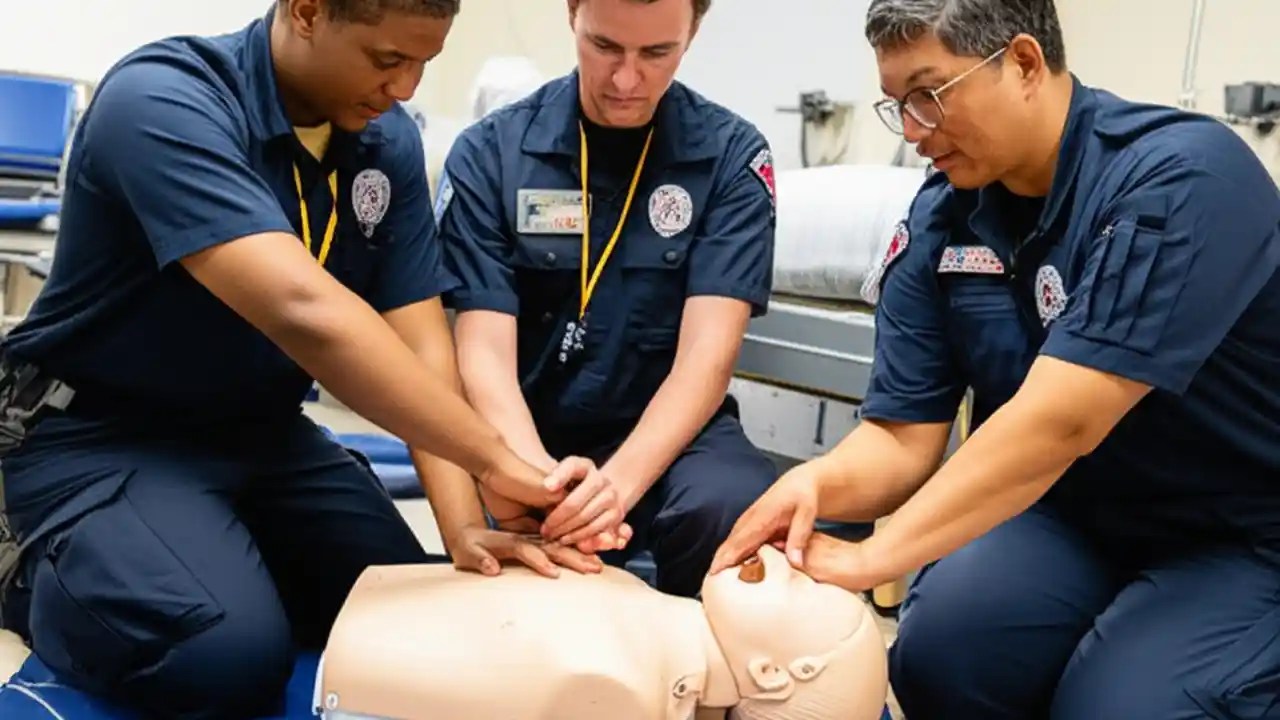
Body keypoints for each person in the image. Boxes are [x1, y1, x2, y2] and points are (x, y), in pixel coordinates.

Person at [0, 1, 622, 717]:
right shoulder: (164, 99)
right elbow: (306, 313)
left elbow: (422, 341)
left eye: (425, 63)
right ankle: (26, 566)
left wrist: (462, 532)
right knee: (221, 658)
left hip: (261, 434)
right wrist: (496, 461)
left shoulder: (382, 145)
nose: (408, 88)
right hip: (105, 437)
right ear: (307, 11)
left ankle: (189, 553)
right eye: (388, 60)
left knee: (408, 612)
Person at [712, 0, 1280, 718]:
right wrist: (815, 489)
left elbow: (1060, 424)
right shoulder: (943, 217)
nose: (914, 132)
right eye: (896, 106)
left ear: (1022, 63)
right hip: (1073, 512)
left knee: (1117, 707)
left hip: (1242, 534)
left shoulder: (1180, 183)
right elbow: (901, 436)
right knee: (940, 658)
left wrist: (870, 558)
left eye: (930, 95)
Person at [435, 0, 780, 598]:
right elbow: (484, 358)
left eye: (656, 53)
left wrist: (613, 489)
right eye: (604, 47)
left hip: (670, 432)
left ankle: (686, 671)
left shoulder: (731, 158)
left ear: (693, 31)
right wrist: (538, 481)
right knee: (503, 531)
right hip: (526, 429)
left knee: (731, 507)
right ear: (572, 13)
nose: (625, 79)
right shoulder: (491, 154)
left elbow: (707, 361)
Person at [317, 546, 888, 720]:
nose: (779, 559)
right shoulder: (651, 617)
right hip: (377, 614)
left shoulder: (624, 688)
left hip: (357, 666)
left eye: (800, 590)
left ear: (769, 673)